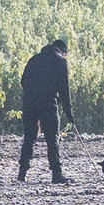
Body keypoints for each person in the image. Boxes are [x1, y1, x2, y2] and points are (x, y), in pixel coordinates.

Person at [17, 38, 74, 184]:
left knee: (29, 138)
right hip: (48, 104)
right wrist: (68, 111)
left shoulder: (34, 59)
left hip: (29, 103)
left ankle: (22, 172)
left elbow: (23, 81)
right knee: (52, 139)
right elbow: (64, 89)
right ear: (62, 51)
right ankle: (56, 173)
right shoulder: (60, 61)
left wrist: (32, 94)